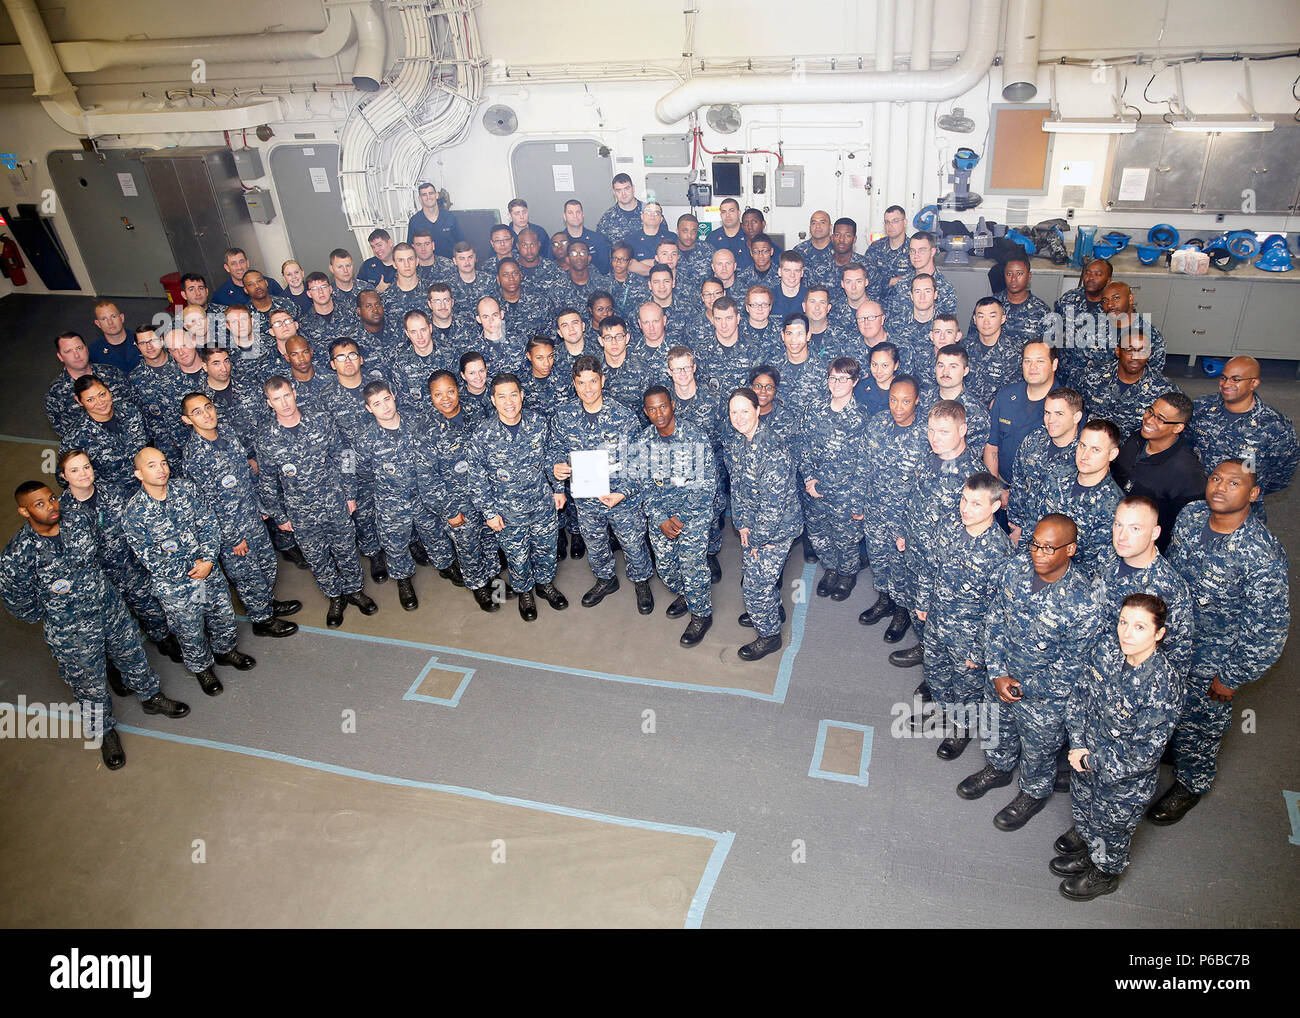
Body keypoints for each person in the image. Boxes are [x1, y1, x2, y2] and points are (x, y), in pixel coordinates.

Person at [0, 481, 189, 770]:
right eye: (39, 504)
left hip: (109, 608)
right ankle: (105, 732)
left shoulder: (78, 520)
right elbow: (17, 602)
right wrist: (57, 614)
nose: (51, 506)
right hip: (72, 631)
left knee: (133, 656)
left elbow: (98, 552)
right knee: (89, 684)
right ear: (24, 511)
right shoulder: (18, 554)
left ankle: (151, 696)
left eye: (52, 498)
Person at [1147, 459, 1289, 826]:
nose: (1220, 487)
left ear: (1253, 494)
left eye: (1234, 483)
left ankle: (1192, 783)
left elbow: (1268, 630)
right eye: (1215, 478)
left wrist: (1230, 678)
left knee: (1201, 725)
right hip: (1170, 642)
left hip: (1213, 660)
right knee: (1167, 707)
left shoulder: (1261, 556)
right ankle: (1172, 747)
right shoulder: (1193, 516)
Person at [958, 514, 1103, 830]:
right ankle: (998, 768)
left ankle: (1033, 791)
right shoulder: (1015, 569)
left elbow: (1073, 664)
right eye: (1035, 544)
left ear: (1070, 549)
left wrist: (1023, 686)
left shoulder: (1083, 600)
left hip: (1044, 699)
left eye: (1049, 548)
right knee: (997, 727)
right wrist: (997, 672)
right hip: (1001, 677)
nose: (1038, 553)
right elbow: (996, 617)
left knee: (1039, 749)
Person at [1054, 593, 1183, 900]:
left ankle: (1105, 873)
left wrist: (1089, 761)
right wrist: (1079, 743)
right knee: (1085, 813)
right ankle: (1090, 851)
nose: (1126, 632)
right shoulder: (1108, 651)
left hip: (1121, 781)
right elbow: (1080, 696)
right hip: (1083, 755)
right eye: (1124, 622)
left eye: (1139, 627)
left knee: (1111, 830)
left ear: (1159, 634)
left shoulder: (1163, 686)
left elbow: (1143, 755)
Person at [122, 447, 256, 697]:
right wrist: (191, 570)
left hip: (208, 572)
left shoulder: (187, 490)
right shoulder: (134, 513)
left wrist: (207, 560)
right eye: (152, 465)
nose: (161, 469)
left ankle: (226, 651)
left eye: (163, 463)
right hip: (175, 587)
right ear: (138, 474)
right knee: (189, 630)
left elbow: (208, 523)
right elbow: (149, 557)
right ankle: (202, 668)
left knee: (222, 616)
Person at [256, 376, 377, 628]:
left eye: (287, 395)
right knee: (318, 558)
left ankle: (355, 590)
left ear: (295, 393)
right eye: (277, 399)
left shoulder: (320, 420)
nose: (285, 403)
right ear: (269, 403)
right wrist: (280, 516)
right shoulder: (267, 438)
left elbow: (345, 455)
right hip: (300, 512)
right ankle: (334, 596)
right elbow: (267, 481)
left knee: (346, 549)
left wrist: (350, 493)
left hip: (334, 501)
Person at [178, 394, 300, 638]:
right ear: (187, 419)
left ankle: (267, 603)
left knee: (266, 564)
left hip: (251, 515)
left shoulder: (226, 433)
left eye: (208, 407)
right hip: (230, 529)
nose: (206, 414)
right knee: (247, 575)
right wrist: (233, 538)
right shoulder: (195, 457)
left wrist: (260, 506)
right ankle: (262, 620)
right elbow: (206, 507)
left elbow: (245, 474)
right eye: (198, 412)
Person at [547, 355, 655, 612]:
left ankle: (641, 581)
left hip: (621, 497)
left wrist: (623, 493)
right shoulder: (564, 416)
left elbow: (638, 461)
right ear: (574, 384)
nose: (588, 388)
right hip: (586, 499)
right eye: (582, 383)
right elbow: (555, 450)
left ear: (602, 380)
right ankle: (606, 579)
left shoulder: (624, 416)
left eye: (593, 381)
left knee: (632, 542)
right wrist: (557, 472)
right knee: (594, 542)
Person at [918, 471, 1013, 759]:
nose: (965, 508)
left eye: (975, 504)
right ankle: (943, 713)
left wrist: (979, 650)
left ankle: (961, 728)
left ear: (995, 507)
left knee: (966, 689)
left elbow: (997, 611)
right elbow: (930, 564)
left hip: (969, 637)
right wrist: (923, 602)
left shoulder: (1000, 551)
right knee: (935, 673)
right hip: (937, 621)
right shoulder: (948, 525)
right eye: (964, 499)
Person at [57, 450, 184, 665]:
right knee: (110, 626)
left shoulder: (115, 492)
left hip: (131, 567)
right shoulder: (62, 511)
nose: (83, 474)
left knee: (150, 607)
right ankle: (116, 667)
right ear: (63, 476)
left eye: (86, 467)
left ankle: (163, 639)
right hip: (100, 580)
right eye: (74, 470)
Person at [889, 400, 984, 669]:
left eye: (943, 432)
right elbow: (912, 498)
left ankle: (936, 673)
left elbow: (968, 538)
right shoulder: (928, 457)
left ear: (963, 429)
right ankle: (925, 649)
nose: (935, 438)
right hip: (916, 552)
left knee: (938, 621)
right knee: (917, 611)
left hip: (944, 567)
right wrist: (903, 531)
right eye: (931, 430)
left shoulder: (973, 479)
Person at [468, 373, 569, 622]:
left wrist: (558, 488)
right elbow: (476, 477)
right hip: (507, 512)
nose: (509, 401)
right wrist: (489, 513)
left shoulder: (538, 423)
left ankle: (545, 585)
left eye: (514, 394)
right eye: (502, 396)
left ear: (522, 395)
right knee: (517, 555)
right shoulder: (483, 434)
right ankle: (524, 592)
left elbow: (552, 456)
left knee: (546, 549)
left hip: (541, 503)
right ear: (493, 400)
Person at [723, 387, 802, 661]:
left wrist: (757, 539)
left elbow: (773, 505)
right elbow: (737, 486)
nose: (739, 417)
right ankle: (769, 608)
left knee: (755, 586)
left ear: (758, 411)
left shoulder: (773, 450)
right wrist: (742, 524)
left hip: (775, 530)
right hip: (752, 525)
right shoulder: (737, 442)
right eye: (734, 412)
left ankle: (769, 636)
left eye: (745, 411)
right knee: (757, 579)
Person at [351, 382, 445, 611]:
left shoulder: (416, 424)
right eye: (376, 403)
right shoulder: (365, 439)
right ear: (368, 408)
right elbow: (362, 470)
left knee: (435, 532)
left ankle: (446, 564)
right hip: (391, 500)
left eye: (386, 399)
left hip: (423, 495)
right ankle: (403, 580)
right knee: (395, 543)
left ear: (393, 396)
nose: (384, 407)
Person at [639, 386, 717, 646]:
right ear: (646, 411)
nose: (658, 413)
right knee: (666, 568)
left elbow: (705, 485)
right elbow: (643, 485)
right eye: (652, 408)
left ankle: (701, 613)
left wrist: (681, 518)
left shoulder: (695, 437)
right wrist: (661, 518)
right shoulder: (642, 443)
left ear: (673, 404)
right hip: (661, 517)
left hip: (693, 515)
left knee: (691, 564)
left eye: (662, 406)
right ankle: (686, 593)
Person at [1090, 495, 1194, 679]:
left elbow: (1176, 655)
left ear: (1155, 533)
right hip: (1091, 666)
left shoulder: (1168, 588)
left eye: (1135, 528)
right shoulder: (1107, 556)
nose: (1122, 536)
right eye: (1118, 525)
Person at [424, 371, 504, 611]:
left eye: (449, 391)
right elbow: (428, 480)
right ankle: (478, 586)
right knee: (469, 548)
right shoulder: (426, 431)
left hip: (485, 499)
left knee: (491, 543)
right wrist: (449, 511)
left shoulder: (476, 414)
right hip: (458, 505)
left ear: (458, 389)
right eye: (438, 394)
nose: (445, 398)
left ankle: (496, 585)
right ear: (431, 397)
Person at [860, 375, 928, 636]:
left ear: (917, 401)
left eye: (906, 401)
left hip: (906, 516)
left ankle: (902, 610)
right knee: (878, 559)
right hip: (876, 510)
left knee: (901, 565)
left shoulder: (925, 434)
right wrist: (860, 504)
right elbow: (864, 466)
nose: (898, 407)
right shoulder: (877, 425)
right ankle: (885, 600)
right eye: (893, 400)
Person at [1188, 356, 1299, 516]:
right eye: (1224, 378)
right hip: (1197, 501)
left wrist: (1246, 491)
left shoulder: (1276, 426)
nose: (1227, 384)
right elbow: (1186, 443)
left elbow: (1283, 473)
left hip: (1240, 512)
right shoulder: (1201, 407)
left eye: (1236, 379)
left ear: (1254, 383)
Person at [798, 357, 870, 602]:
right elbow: (803, 446)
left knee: (846, 537)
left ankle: (847, 574)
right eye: (833, 377)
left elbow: (860, 463)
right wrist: (809, 478)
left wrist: (823, 484)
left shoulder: (861, 417)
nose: (837, 383)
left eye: (843, 378)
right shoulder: (814, 408)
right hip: (813, 490)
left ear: (855, 381)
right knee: (818, 533)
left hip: (844, 493)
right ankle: (830, 568)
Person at [1111, 392, 1206, 552]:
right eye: (1150, 411)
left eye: (1160, 419)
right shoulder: (1136, 439)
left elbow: (1187, 525)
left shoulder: (1187, 472)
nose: (1148, 420)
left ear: (1178, 427)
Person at [1041, 419, 1124, 579]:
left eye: (1095, 450)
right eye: (1082, 445)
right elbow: (1034, 520)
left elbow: (1095, 565)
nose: (1084, 456)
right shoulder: (1057, 475)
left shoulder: (1113, 506)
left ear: (1112, 454)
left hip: (1069, 582)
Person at [1007, 387, 1083, 546]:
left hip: (1055, 547)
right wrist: (1017, 527)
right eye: (1047, 413)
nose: (1051, 420)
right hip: (1023, 536)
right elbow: (1019, 483)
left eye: (1059, 414)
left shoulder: (1085, 455)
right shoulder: (1034, 440)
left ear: (1076, 417)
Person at [985, 341, 1060, 495]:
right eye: (1027, 361)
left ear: (1054, 364)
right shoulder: (1005, 396)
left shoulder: (1065, 406)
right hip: (1002, 490)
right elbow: (992, 446)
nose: (1033, 367)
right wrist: (997, 491)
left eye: (1040, 361)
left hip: (1039, 498)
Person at [1081, 324, 1178, 438]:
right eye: (1129, 350)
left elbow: (1172, 430)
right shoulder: (1092, 375)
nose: (1136, 357)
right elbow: (1071, 407)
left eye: (1143, 351)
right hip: (1093, 444)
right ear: (1118, 351)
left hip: (1133, 452)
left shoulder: (1164, 389)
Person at [60, 376, 148, 497]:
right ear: (79, 401)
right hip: (112, 501)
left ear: (108, 389)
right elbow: (65, 478)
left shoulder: (130, 411)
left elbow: (148, 443)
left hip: (147, 487)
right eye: (90, 400)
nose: (100, 402)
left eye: (102, 394)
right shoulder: (76, 437)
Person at [46, 332, 136, 438]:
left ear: (86, 349)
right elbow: (66, 435)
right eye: (68, 351)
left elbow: (134, 406)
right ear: (60, 357)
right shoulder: (56, 393)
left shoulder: (112, 373)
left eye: (79, 348)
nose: (77, 355)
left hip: (131, 439)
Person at [1053, 258, 1112, 387]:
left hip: (1096, 383)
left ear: (1108, 280)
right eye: (1088, 273)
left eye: (1098, 274)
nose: (1091, 278)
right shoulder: (1069, 299)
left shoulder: (1114, 308)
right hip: (1064, 376)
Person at [975, 257, 1050, 345]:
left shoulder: (1042, 311)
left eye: (1019, 273)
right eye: (1009, 274)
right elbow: (973, 341)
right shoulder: (989, 306)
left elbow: (1049, 350)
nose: (1013, 279)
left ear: (1029, 276)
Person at [883, 232, 957, 320]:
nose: (916, 255)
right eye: (912, 251)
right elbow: (893, 321)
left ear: (932, 252)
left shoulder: (945, 289)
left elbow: (948, 327)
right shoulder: (902, 284)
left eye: (921, 250)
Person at [965, 297, 1018, 403]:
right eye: (981, 316)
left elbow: (1015, 391)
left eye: (992, 316)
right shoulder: (964, 347)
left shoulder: (1014, 353)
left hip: (997, 412)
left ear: (1003, 319)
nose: (986, 322)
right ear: (975, 319)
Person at [863, 206, 910, 296]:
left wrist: (883, 282)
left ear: (905, 223)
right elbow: (867, 279)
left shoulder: (914, 249)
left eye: (895, 221)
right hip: (878, 304)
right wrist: (892, 281)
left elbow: (918, 278)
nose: (890, 225)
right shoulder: (875, 248)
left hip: (905, 305)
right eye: (887, 222)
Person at [213, 247, 284, 306]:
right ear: (227, 268)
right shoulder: (221, 296)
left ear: (247, 263)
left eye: (242, 262)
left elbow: (285, 304)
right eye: (233, 264)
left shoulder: (269, 284)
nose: (239, 267)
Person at [559, 199, 612, 274]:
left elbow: (604, 268)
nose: (575, 216)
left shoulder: (597, 239)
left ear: (582, 214)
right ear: (564, 216)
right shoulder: (559, 241)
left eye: (578, 212)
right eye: (570, 213)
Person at [87, 300, 140, 374]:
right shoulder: (93, 352)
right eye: (104, 319)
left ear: (122, 318)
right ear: (98, 323)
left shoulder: (141, 340)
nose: (110, 322)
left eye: (113, 316)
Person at [406, 181, 462, 250]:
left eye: (431, 193)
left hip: (449, 260)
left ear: (436, 195)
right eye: (424, 195)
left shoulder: (450, 217)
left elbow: (461, 243)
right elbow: (410, 249)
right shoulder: (414, 221)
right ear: (420, 199)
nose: (428, 197)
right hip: (425, 260)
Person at [705, 198, 754, 271]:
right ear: (721, 215)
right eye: (724, 212)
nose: (727, 215)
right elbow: (707, 267)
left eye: (731, 211)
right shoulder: (712, 238)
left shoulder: (750, 234)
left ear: (739, 212)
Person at [596, 173, 645, 245]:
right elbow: (601, 246)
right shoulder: (607, 218)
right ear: (614, 192)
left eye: (626, 189)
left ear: (633, 188)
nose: (623, 194)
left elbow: (663, 240)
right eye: (619, 190)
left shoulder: (650, 212)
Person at [854, 343, 900, 418]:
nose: (878, 371)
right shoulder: (860, 387)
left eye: (884, 365)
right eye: (874, 365)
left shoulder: (904, 390)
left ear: (896, 365)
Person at [794, 210, 835, 287]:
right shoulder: (799, 250)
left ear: (830, 227)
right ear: (810, 228)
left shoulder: (838, 250)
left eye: (822, 222)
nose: (818, 226)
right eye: (814, 223)